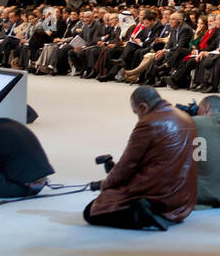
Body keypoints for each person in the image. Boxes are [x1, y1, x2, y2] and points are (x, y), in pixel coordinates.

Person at [83, 86, 197, 230]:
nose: (137, 117)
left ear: (143, 107)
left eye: (136, 112)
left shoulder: (149, 123)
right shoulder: (186, 118)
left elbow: (127, 165)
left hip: (159, 195)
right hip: (184, 200)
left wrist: (106, 184)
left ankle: (142, 214)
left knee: (91, 211)